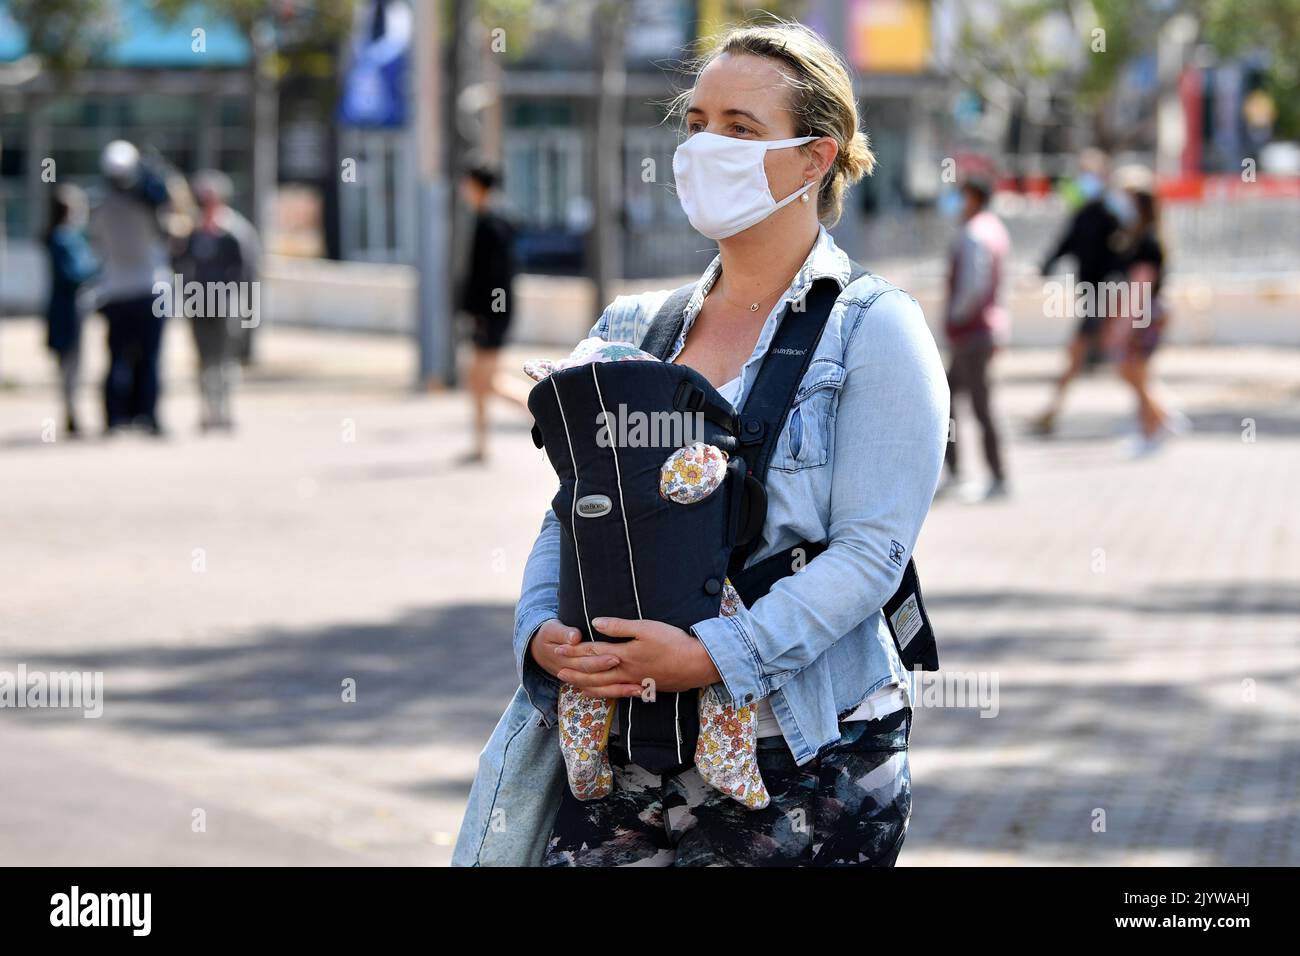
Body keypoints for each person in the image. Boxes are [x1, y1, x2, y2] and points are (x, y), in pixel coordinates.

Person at [455, 18, 948, 867]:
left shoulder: (876, 331)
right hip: (622, 756)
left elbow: (872, 554)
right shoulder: (632, 328)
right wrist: (539, 629)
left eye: (741, 129)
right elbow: (571, 510)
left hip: (804, 761)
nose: (705, 147)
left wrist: (715, 656)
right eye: (697, 123)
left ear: (815, 159)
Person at [1033, 148, 1123, 435]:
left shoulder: (1113, 212)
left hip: (1107, 296)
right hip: (1090, 294)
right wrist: (1043, 268)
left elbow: (1126, 253)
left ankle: (1051, 412)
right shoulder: (1082, 213)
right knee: (1124, 360)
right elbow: (1065, 243)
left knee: (1082, 353)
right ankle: (1156, 418)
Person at [89, 140, 171, 436]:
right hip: (149, 291)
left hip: (116, 292)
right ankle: (147, 415)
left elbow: (97, 244)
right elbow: (166, 234)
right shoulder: (149, 206)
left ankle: (115, 417)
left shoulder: (100, 207)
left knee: (117, 358)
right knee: (149, 359)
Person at [939, 177, 1010, 501]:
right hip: (983, 330)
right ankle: (959, 472)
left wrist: (955, 319)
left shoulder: (974, 234)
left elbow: (973, 287)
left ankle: (996, 476)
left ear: (973, 198)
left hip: (973, 333)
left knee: (977, 405)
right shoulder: (992, 228)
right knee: (950, 400)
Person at [457, 163, 528, 463]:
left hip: (492, 315)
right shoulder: (489, 220)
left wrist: (486, 314)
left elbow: (495, 277)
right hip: (489, 314)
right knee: (476, 379)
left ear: (477, 186)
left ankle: (544, 412)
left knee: (488, 380)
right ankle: (480, 444)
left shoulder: (492, 225)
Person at [1105, 169, 1179, 455]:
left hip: (1144, 314)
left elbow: (1140, 287)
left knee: (1134, 370)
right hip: (1145, 312)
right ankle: (1155, 422)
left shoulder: (1147, 241)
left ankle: (1158, 423)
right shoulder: (1140, 237)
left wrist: (1122, 326)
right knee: (1136, 372)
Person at [174, 171, 245, 432]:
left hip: (223, 307)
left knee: (224, 360)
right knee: (204, 362)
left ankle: (225, 411)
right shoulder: (193, 235)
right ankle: (206, 412)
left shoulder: (231, 234)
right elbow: (179, 266)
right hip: (199, 306)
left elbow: (241, 272)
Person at [43, 185, 99, 437]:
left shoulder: (69, 237)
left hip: (68, 308)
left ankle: (73, 411)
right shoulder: (61, 238)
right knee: (70, 364)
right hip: (66, 310)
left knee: (73, 364)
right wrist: (98, 266)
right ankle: (71, 412)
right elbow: (73, 273)